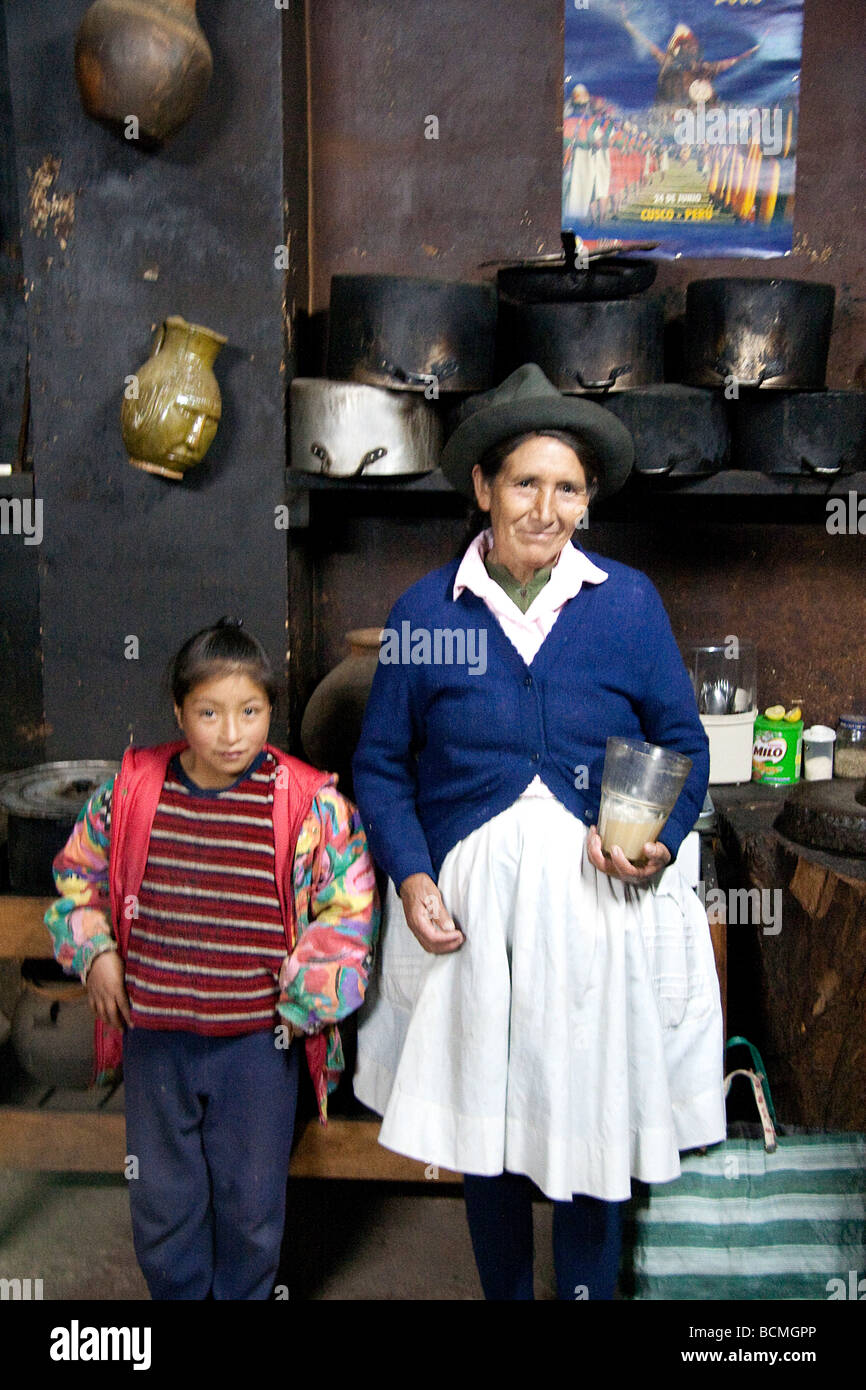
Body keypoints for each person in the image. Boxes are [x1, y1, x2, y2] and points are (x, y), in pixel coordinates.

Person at [352, 364, 725, 1301]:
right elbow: (383, 766)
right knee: (492, 1118)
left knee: (589, 1108)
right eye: (526, 483)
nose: (546, 508)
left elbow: (682, 743)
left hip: (594, 899)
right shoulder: (425, 615)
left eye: (568, 488)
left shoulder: (625, 603)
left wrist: (661, 841)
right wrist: (409, 876)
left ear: (587, 501)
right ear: (483, 487)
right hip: (472, 910)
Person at [45, 617, 379, 1300]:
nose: (232, 733)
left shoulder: (307, 803)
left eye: (250, 711)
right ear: (178, 711)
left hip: (259, 1047)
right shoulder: (132, 793)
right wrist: (96, 950)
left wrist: (303, 1005)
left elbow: (349, 906)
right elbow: (77, 878)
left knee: (251, 1206)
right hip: (156, 1041)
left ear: (270, 710)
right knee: (163, 1204)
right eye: (209, 712)